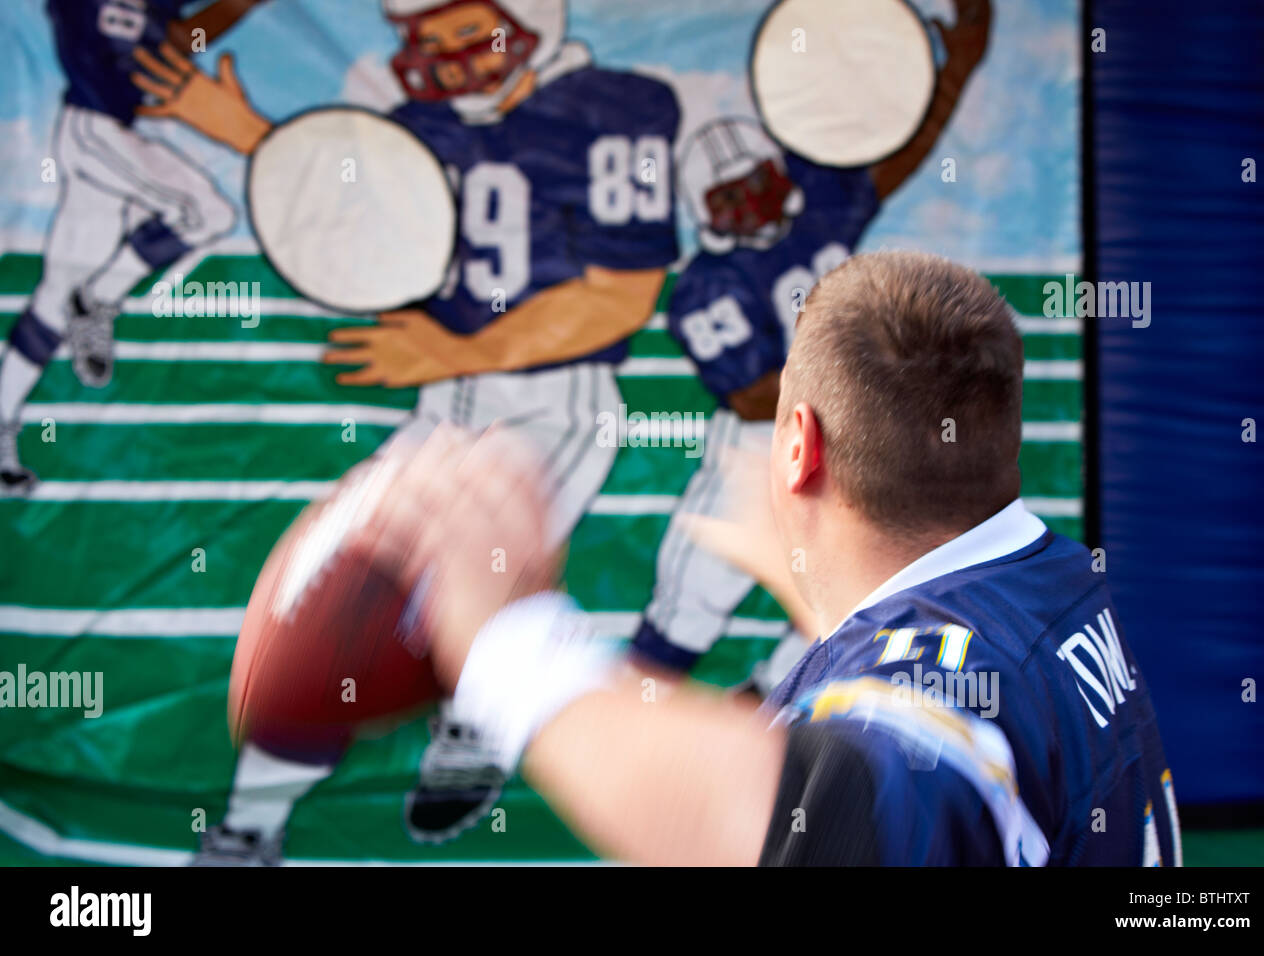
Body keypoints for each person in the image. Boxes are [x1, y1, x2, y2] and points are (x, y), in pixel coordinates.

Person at [349, 250, 1183, 865]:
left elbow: (845, 815)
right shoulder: (1057, 577)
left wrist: (506, 642)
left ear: (796, 447)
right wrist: (820, 590)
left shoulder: (939, 677)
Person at [129, 0, 679, 855]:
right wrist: (246, 133)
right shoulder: (421, 125)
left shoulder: (614, 108)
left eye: (471, 32)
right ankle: (250, 826)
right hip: (446, 409)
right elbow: (361, 211)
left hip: (548, 407)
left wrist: (454, 344)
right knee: (327, 617)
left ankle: (471, 724)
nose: (451, 60)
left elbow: (621, 292)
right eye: (431, 40)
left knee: (456, 613)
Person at [637, 0, 992, 693]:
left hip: (843, 444)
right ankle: (633, 738)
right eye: (731, 199)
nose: (753, 207)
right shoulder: (704, 289)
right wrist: (863, 374)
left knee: (848, 598)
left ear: (779, 174)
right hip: (757, 449)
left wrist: (956, 73)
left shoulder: (821, 204)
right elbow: (749, 391)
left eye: (757, 187)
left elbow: (900, 154)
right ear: (707, 213)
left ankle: (767, 711)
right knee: (689, 606)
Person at [0, 0, 265, 493]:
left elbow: (178, 43)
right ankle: (101, 297)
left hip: (104, 132)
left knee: (55, 296)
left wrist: (235, 8)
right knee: (209, 212)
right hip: (93, 127)